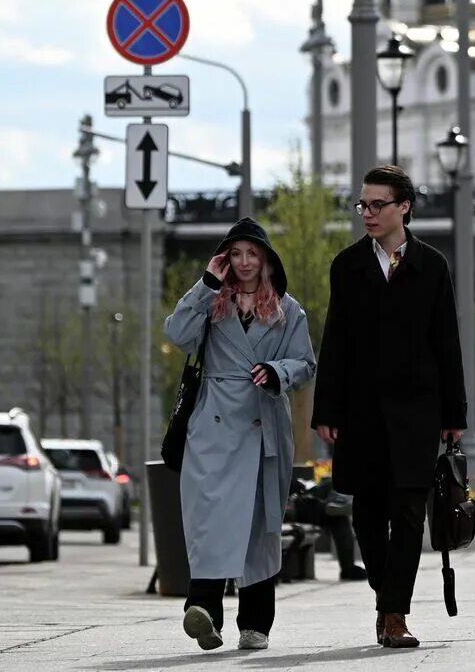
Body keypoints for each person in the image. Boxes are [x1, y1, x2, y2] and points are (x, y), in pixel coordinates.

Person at [310, 165, 466, 650]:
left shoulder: (432, 266)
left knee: (408, 513)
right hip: (361, 414)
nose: (368, 214)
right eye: (362, 204)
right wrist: (327, 410)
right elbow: (335, 341)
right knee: (368, 520)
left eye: (378, 204)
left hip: (417, 414)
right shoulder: (347, 266)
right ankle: (387, 598)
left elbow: (447, 343)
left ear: (405, 207)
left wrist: (453, 415)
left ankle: (394, 614)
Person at [164, 218, 317, 652]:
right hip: (212, 423)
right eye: (236, 254)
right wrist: (206, 283)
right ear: (225, 259)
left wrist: (277, 372)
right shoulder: (211, 303)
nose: (245, 262)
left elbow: (305, 363)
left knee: (259, 525)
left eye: (253, 253)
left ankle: (255, 623)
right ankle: (205, 611)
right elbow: (176, 334)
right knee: (210, 519)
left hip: (263, 423)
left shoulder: (290, 309)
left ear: (266, 258)